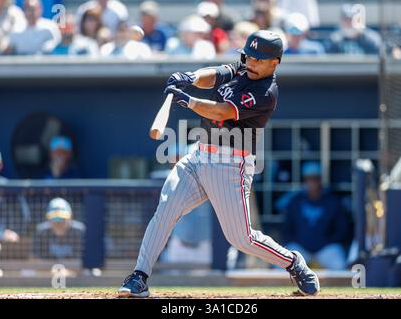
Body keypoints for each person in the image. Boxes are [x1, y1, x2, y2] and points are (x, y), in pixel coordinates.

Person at [118, 30, 320, 298]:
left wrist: (187, 100)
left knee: (241, 239)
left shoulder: (266, 92)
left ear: (275, 62)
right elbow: (214, 74)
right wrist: (190, 78)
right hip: (199, 155)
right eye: (249, 56)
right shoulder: (242, 68)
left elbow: (221, 111)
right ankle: (139, 276)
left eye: (259, 59)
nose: (251, 62)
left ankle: (293, 262)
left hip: (231, 165)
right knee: (166, 209)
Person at [276, 162, 352, 270]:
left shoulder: (332, 201)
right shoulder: (295, 201)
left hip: (325, 248)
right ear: (304, 181)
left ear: (320, 180)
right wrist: (295, 241)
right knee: (280, 265)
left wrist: (329, 241)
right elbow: (286, 228)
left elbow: (342, 228)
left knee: (340, 265)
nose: (312, 182)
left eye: (315, 179)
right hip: (300, 248)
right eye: (308, 179)